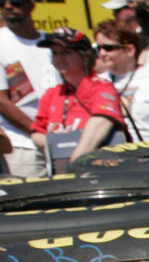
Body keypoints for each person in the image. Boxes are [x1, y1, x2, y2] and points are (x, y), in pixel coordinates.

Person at [30, 28, 126, 165]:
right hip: (62, 173)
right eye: (55, 53)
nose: (59, 58)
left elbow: (101, 122)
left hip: (99, 170)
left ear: (84, 55)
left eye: (66, 53)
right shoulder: (52, 94)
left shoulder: (102, 88)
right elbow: (36, 133)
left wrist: (76, 162)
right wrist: (59, 144)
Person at [0, 0, 58, 178]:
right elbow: (1, 101)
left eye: (14, 1)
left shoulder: (52, 42)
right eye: (2, 3)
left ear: (31, 6)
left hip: (61, 141)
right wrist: (36, 132)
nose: (7, 6)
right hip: (22, 146)